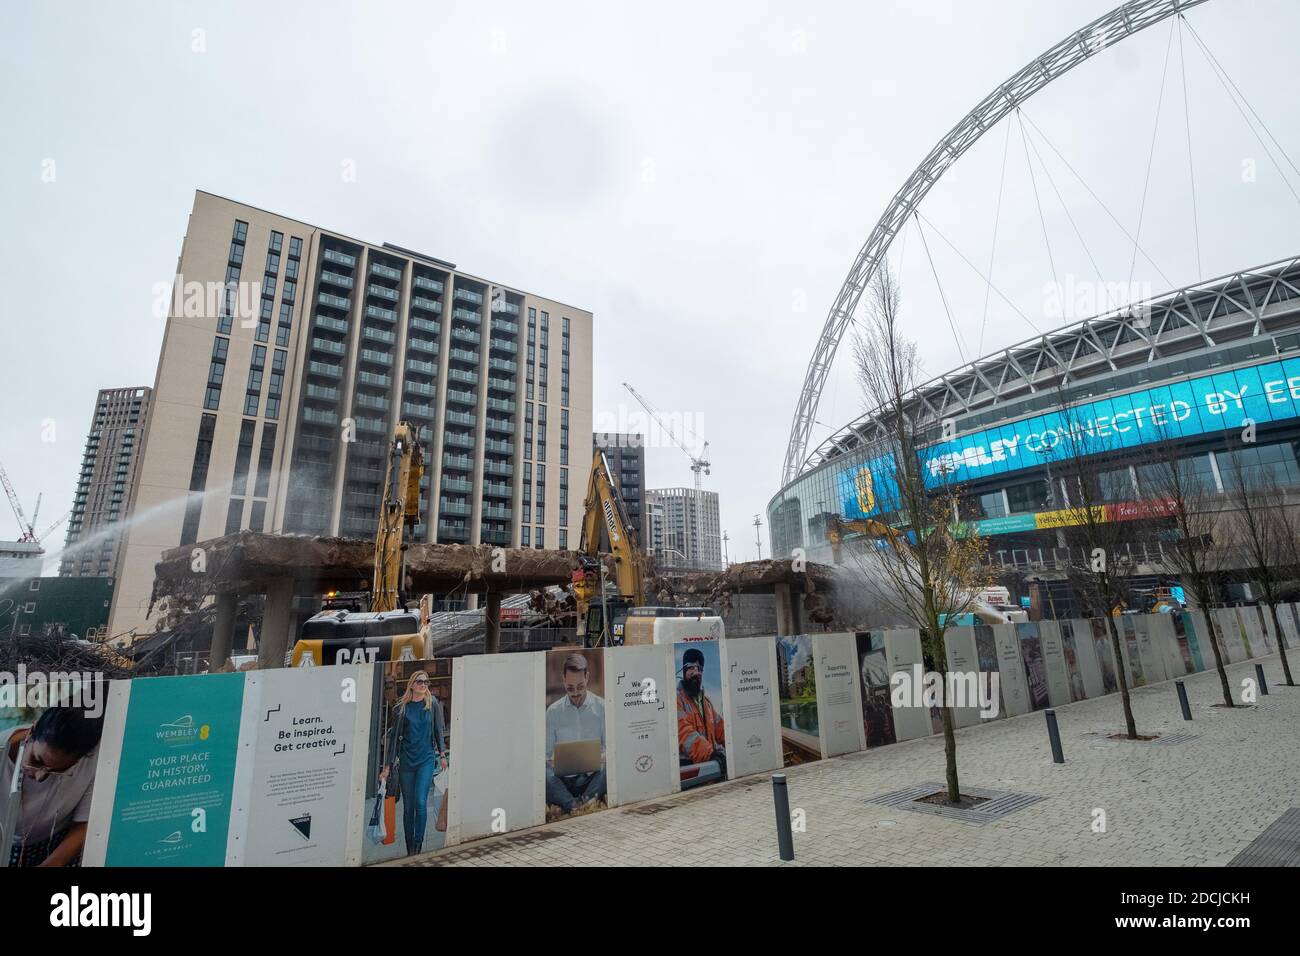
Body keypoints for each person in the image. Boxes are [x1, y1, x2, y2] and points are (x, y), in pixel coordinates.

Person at [2, 704, 104, 867]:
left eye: (59, 770)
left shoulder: (93, 758)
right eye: (37, 760)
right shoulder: (2, 754)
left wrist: (53, 863)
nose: (40, 776)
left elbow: (84, 822)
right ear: (31, 731)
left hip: (61, 842)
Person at [379, 670, 446, 855]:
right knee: (408, 807)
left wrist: (442, 754)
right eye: (420, 681)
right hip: (407, 761)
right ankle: (410, 848)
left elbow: (438, 729)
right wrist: (387, 766)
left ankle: (418, 843)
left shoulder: (431, 703)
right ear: (412, 684)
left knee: (420, 802)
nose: (423, 685)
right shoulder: (402, 708)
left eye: (426, 682)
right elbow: (394, 740)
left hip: (426, 758)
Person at [544, 653, 606, 813]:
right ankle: (578, 805)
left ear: (587, 678)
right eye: (570, 688)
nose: (575, 693)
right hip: (563, 780)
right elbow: (545, 754)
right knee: (544, 775)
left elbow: (609, 747)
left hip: (593, 777)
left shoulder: (602, 707)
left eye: (580, 686)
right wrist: (551, 761)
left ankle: (571, 805)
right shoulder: (552, 712)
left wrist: (600, 758)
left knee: (610, 768)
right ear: (563, 680)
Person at [676, 646, 726, 775]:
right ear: (684, 670)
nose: (696, 672)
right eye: (692, 667)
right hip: (690, 771)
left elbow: (722, 729)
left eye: (699, 669)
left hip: (710, 768)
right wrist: (709, 754)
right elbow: (683, 733)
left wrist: (737, 742)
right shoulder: (676, 700)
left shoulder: (707, 703)